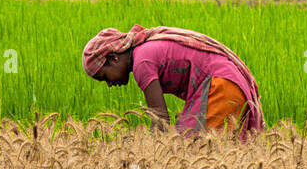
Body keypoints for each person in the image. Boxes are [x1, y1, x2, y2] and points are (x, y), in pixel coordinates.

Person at [82, 25, 264, 139]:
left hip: (220, 86)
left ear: (113, 58)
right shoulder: (145, 49)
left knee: (195, 149)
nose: (109, 84)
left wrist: (148, 153)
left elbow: (159, 118)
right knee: (200, 148)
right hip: (226, 83)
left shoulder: (142, 63)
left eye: (104, 77)